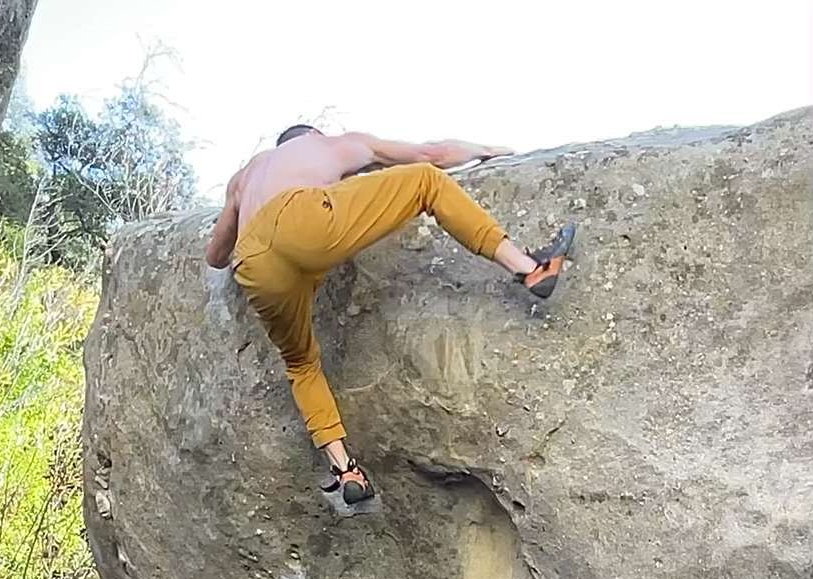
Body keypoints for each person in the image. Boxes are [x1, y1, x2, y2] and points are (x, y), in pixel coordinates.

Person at [206, 126, 576, 504]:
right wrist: (487, 148)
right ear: (313, 135)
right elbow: (430, 156)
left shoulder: (246, 175)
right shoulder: (334, 145)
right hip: (304, 219)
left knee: (300, 363)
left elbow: (215, 255)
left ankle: (346, 469)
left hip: (252, 264)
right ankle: (531, 268)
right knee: (426, 183)